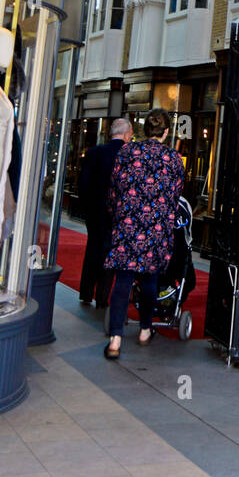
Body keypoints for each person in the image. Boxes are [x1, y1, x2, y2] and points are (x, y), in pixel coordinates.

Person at [103, 108, 184, 360]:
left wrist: (118, 214)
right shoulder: (173, 159)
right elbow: (175, 195)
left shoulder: (127, 152)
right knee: (150, 280)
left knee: (123, 281)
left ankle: (115, 339)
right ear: (167, 132)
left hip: (128, 225)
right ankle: (145, 329)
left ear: (143, 130)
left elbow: (114, 189)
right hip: (156, 228)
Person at [78, 117, 132, 308]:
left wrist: (85, 208)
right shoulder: (128, 155)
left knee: (92, 249)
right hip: (116, 214)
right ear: (126, 134)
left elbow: (83, 184)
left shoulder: (93, 153)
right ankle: (102, 296)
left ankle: (85, 291)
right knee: (110, 254)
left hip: (93, 212)